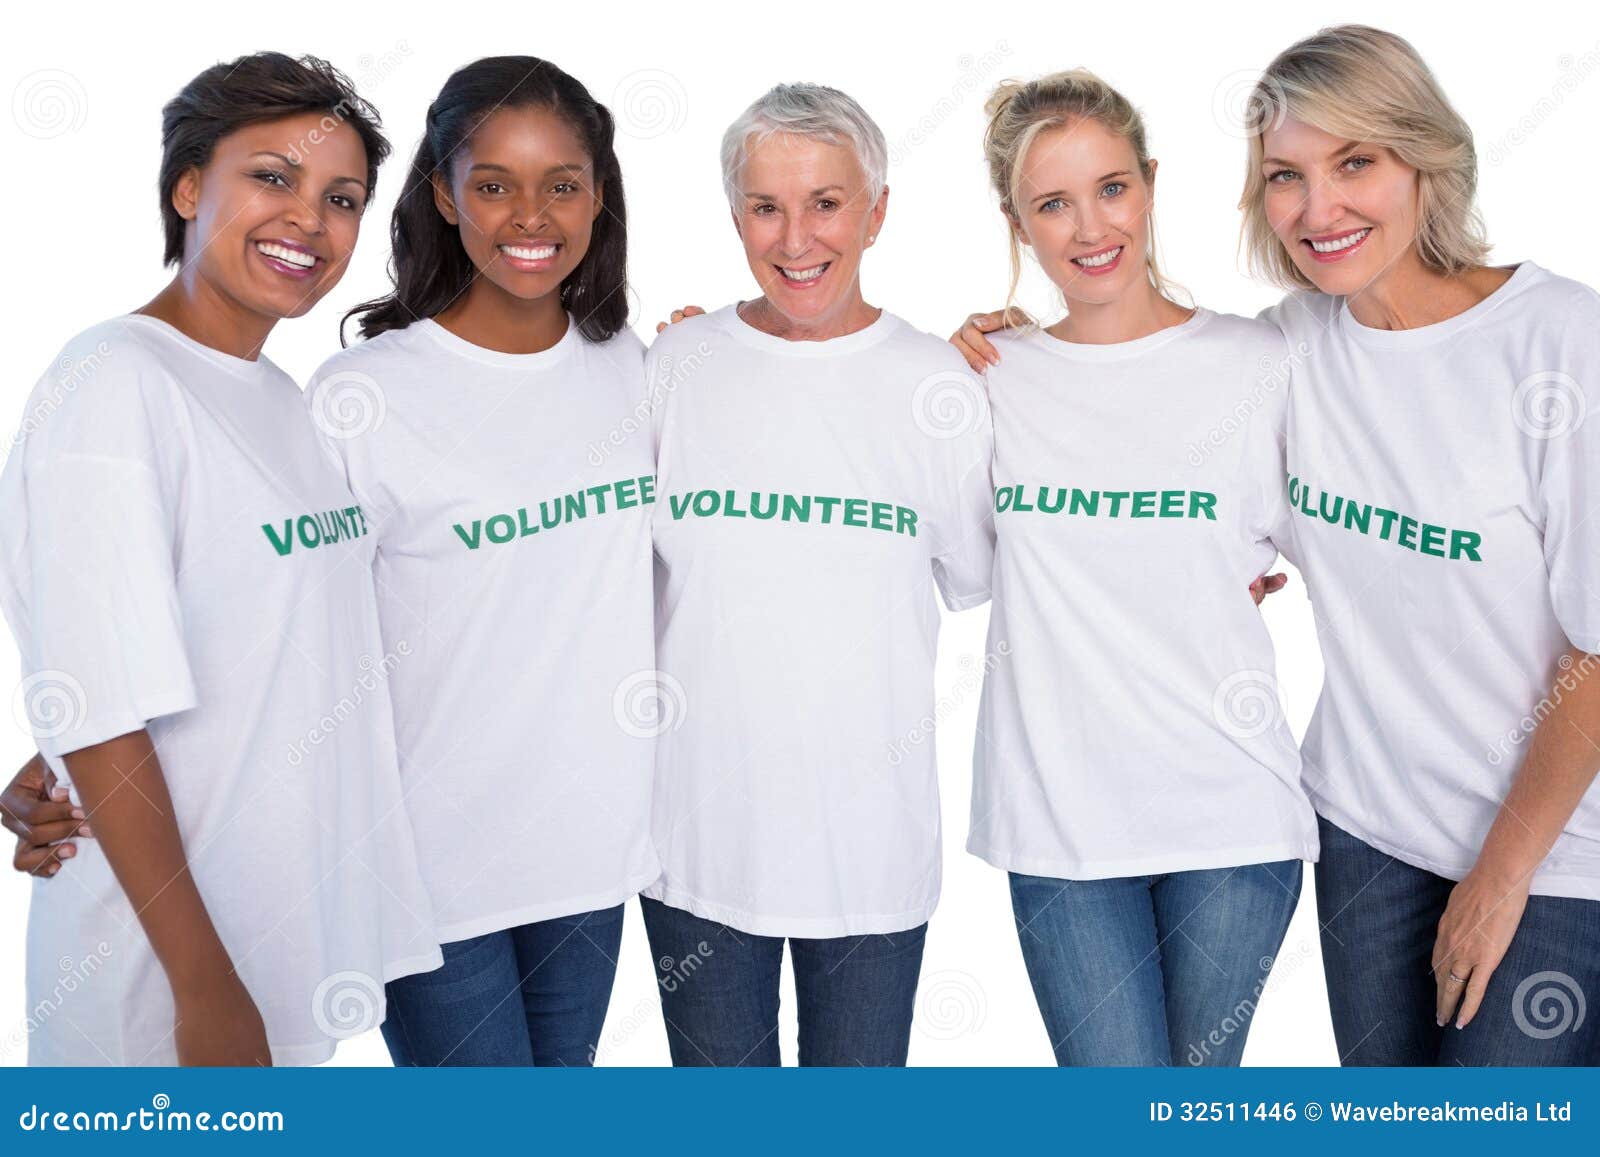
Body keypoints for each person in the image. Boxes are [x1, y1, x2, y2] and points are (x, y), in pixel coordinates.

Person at [0, 53, 440, 1066]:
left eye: (341, 199)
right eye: (271, 177)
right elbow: (103, 706)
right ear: (189, 187)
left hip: (279, 952)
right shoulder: (113, 384)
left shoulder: (279, 398)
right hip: (161, 991)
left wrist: (45, 762)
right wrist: (204, 988)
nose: (309, 220)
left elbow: (249, 644)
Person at [1243, 24, 1600, 1065]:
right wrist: (1003, 349)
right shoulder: (1288, 347)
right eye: (1286, 175)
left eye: (1354, 162)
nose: (1318, 209)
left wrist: (1500, 875)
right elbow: (1139, 410)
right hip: (1364, 833)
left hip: (1556, 856)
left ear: (1422, 162)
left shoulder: (1559, 344)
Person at [948, 70, 1313, 1066]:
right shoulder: (985, 381)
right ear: (1017, 224)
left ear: (1150, 183)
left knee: (1195, 1112)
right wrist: (716, 354)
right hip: (1060, 827)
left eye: (1111, 188)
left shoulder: (1259, 364)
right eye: (1052, 203)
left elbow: (1355, 545)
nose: (1090, 227)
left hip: (1232, 819)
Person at [642, 82, 994, 1066]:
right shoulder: (674, 365)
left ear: (876, 212)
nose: (796, 238)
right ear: (735, 216)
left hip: (871, 858)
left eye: (827, 203)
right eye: (766, 206)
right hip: (697, 854)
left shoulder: (938, 386)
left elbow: (1004, 574)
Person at [327, 55, 657, 1066]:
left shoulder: (636, 372)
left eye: (562, 184)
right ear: (442, 192)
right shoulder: (362, 396)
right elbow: (284, 625)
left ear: (598, 195)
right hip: (429, 871)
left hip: (590, 857)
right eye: (494, 184)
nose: (531, 216)